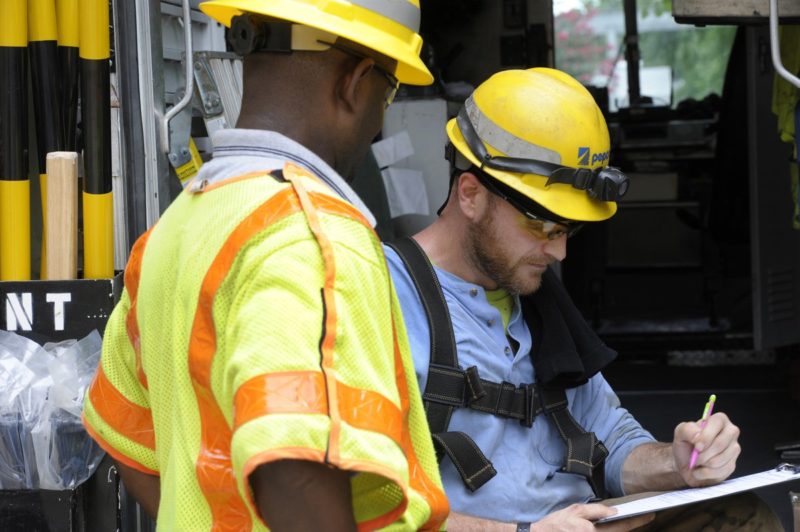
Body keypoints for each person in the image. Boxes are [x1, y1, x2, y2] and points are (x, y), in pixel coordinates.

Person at [81, 1, 450, 530]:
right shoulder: (313, 237)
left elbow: (126, 436)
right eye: (387, 94)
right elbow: (294, 470)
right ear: (356, 82)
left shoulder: (175, 227)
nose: (377, 122)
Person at [384, 68, 782, 530]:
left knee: (745, 518)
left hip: (579, 521)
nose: (559, 252)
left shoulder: (533, 295)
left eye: (568, 230)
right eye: (543, 226)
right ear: (471, 195)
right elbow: (368, 500)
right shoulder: (384, 295)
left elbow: (607, 436)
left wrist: (677, 463)